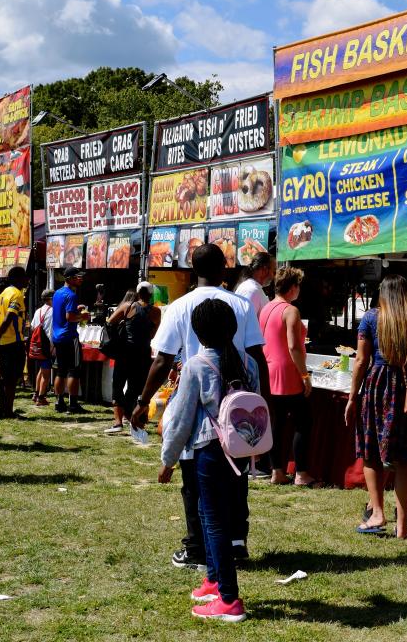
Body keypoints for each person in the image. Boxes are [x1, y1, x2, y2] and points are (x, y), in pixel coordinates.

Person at [131, 244, 267, 570]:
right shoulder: (241, 305)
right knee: (236, 477)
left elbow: (162, 360)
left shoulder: (179, 307)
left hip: (199, 414)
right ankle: (236, 541)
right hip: (238, 413)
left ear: (193, 269)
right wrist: (264, 408)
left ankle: (196, 547)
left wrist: (142, 401)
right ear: (224, 268)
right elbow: (256, 357)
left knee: (194, 483)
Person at [158, 299, 259, 623]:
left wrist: (168, 460)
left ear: (198, 332)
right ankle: (214, 580)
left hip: (209, 451)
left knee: (214, 522)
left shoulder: (196, 365)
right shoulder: (248, 362)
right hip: (240, 451)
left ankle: (228, 599)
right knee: (211, 513)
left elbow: (181, 419)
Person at [345, 274, 407, 539]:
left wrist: (352, 397)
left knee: (372, 452)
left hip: (378, 387)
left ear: (382, 293)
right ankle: (402, 525)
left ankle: (377, 513)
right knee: (405, 458)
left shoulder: (371, 318)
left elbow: (361, 360)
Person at [258, 266, 316, 487]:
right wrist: (305, 375)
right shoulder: (291, 310)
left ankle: (277, 471)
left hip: (269, 370)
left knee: (277, 422)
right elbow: (294, 346)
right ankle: (301, 473)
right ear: (292, 287)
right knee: (303, 422)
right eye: (298, 285)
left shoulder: (266, 308)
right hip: (287, 373)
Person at [103, 282, 161, 434]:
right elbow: (152, 334)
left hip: (125, 352)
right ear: (151, 294)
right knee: (135, 388)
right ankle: (131, 417)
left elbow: (110, 322)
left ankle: (118, 422)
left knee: (118, 385)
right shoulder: (156, 311)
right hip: (143, 353)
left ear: (137, 293)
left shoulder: (127, 307)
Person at [0, 266, 29, 419]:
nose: (27, 280)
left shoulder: (4, 293)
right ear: (17, 279)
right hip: (13, 342)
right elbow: (9, 317)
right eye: (24, 277)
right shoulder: (17, 294)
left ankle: (3, 409)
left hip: (3, 342)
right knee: (11, 379)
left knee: (3, 378)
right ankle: (8, 411)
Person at [51, 267, 90, 414]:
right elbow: (70, 317)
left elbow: (63, 312)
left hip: (58, 337)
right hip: (69, 336)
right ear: (70, 278)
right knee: (74, 371)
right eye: (78, 276)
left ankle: (59, 402)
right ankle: (73, 404)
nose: (81, 279)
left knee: (60, 371)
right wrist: (83, 317)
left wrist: (76, 310)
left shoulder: (57, 293)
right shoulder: (71, 295)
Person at [29, 289, 55, 406]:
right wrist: (52, 346)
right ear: (50, 299)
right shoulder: (52, 311)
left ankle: (36, 394)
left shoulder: (38, 310)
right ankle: (41, 398)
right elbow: (51, 330)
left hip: (38, 344)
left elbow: (32, 327)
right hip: (46, 345)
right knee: (46, 373)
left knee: (41, 370)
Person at [234, 252, 273, 327]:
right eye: (273, 272)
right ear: (264, 270)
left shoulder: (253, 288)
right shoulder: (251, 290)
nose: (273, 276)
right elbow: (245, 323)